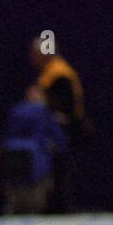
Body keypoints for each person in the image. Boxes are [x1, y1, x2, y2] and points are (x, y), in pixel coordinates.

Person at [28, 38, 91, 212]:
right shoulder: (47, 72)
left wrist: (41, 99)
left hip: (68, 131)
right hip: (54, 130)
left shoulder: (59, 73)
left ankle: (61, 206)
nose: (31, 57)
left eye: (35, 53)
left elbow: (63, 107)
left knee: (62, 172)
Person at [0, 86, 68, 214]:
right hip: (37, 160)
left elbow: (6, 134)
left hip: (12, 158)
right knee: (35, 200)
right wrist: (61, 148)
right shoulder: (44, 112)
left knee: (13, 195)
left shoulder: (15, 110)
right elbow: (59, 139)